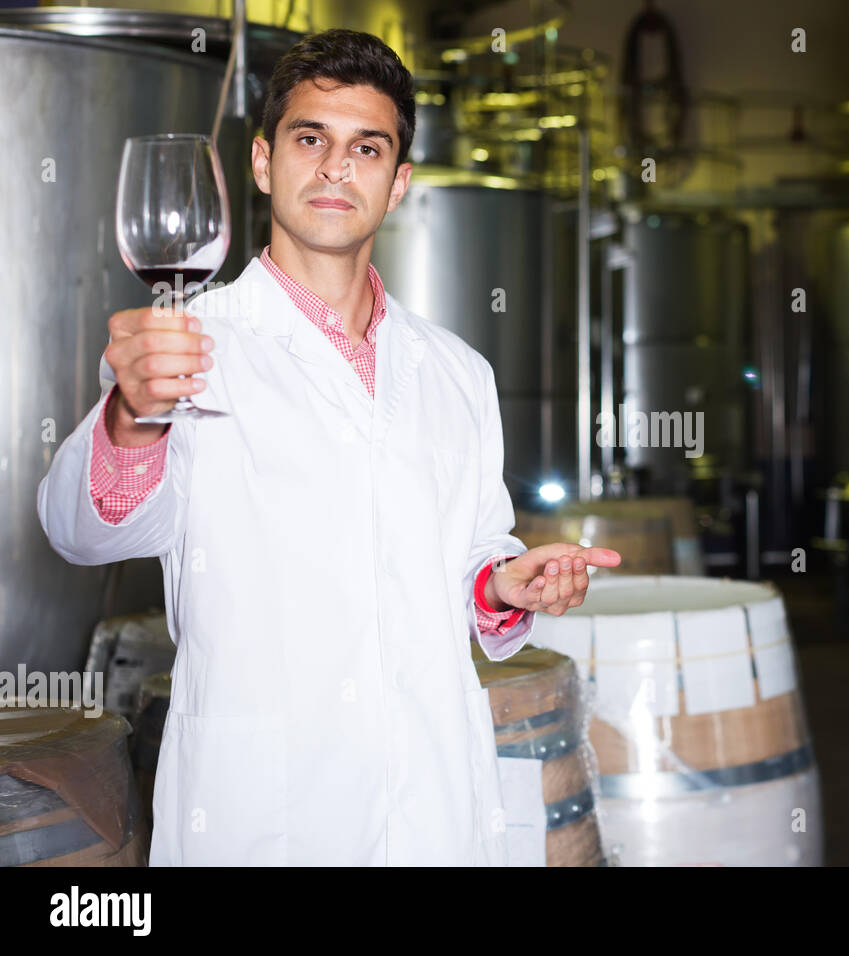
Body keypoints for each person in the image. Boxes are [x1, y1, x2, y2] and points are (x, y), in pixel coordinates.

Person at [36, 28, 619, 865]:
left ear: (399, 182)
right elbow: (82, 533)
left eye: (367, 148)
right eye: (311, 139)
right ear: (263, 162)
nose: (338, 168)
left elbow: (468, 556)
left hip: (434, 814)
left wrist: (501, 583)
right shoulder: (185, 348)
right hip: (263, 819)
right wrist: (132, 417)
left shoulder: (458, 372)